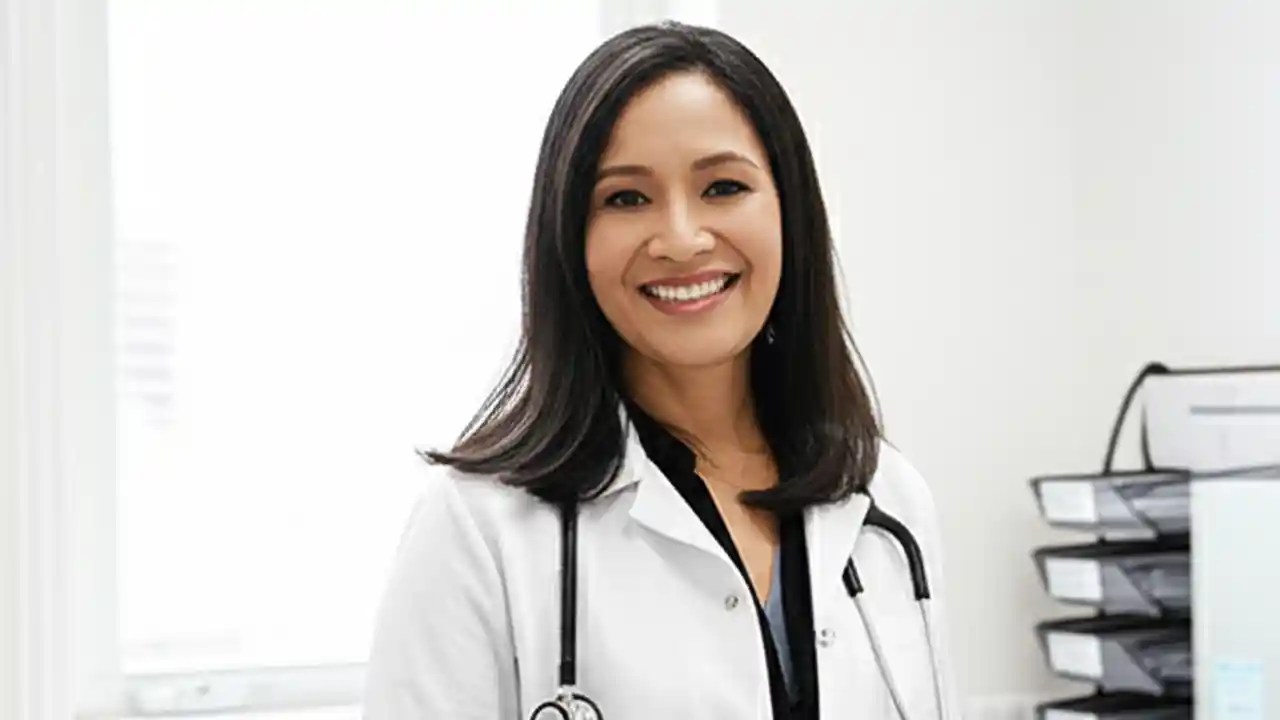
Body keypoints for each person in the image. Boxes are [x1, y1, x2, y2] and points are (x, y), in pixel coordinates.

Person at [363, 20, 958, 720]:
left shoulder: (888, 500)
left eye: (724, 187)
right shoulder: (477, 528)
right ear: (570, 238)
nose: (681, 239)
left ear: (788, 211)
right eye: (625, 199)